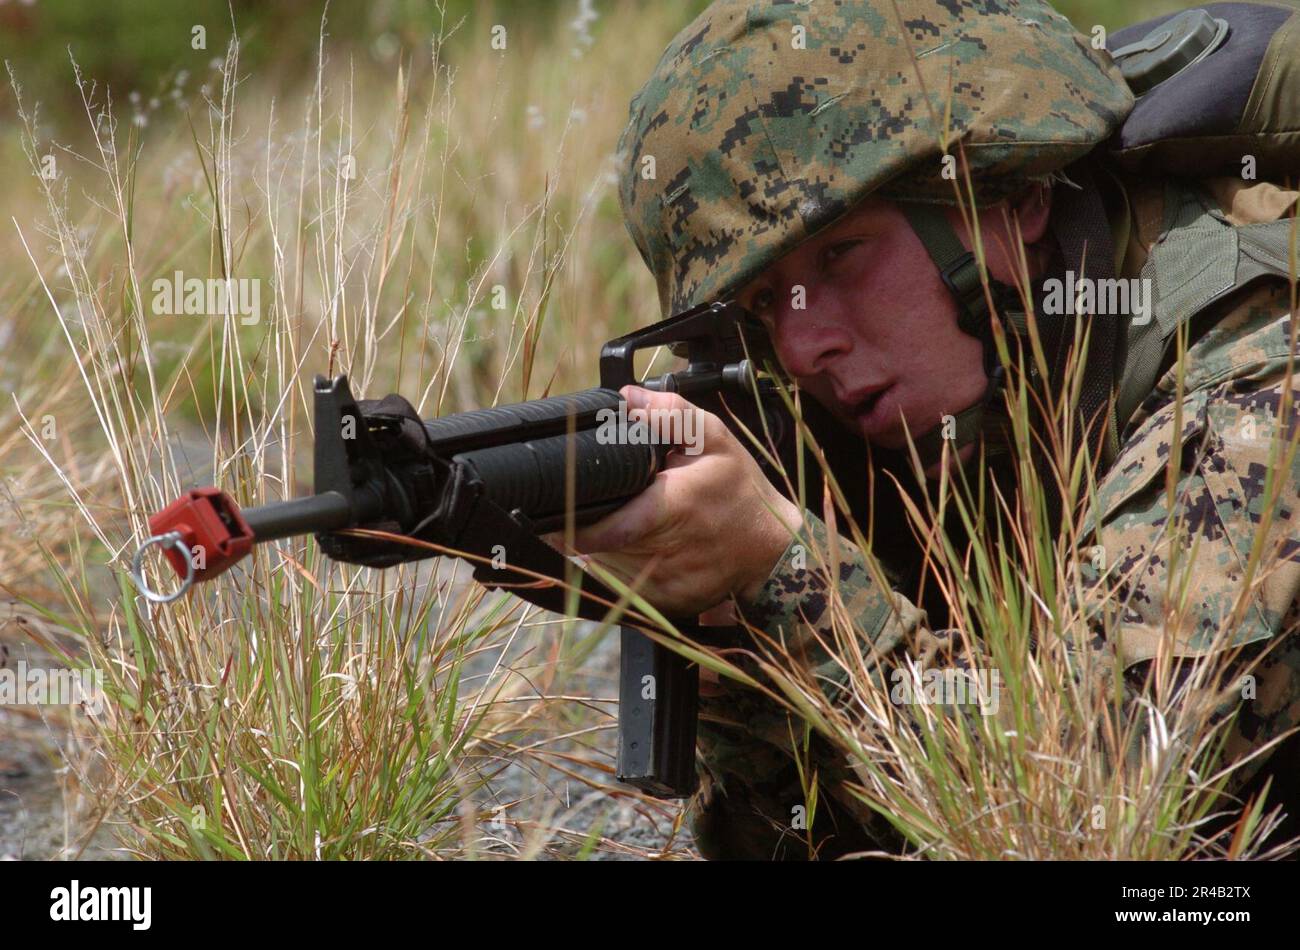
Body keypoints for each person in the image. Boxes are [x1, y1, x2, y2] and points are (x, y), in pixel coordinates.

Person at [562, 0, 1300, 858]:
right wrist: (725, 627)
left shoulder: (1256, 365)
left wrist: (787, 576)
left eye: (841, 255)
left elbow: (1089, 805)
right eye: (764, 303)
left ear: (1011, 198)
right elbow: (802, 839)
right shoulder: (977, 390)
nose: (802, 346)